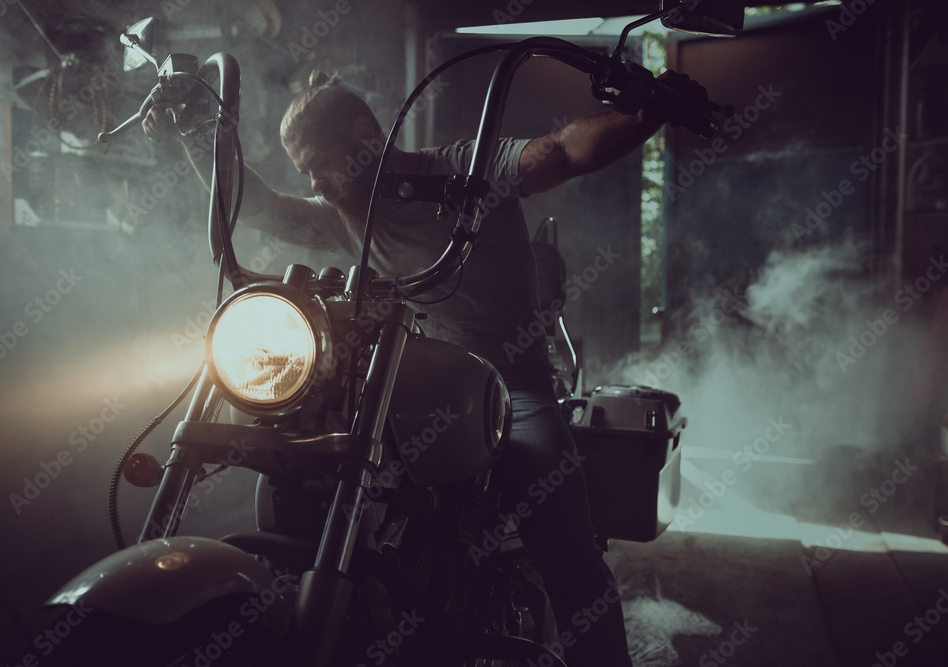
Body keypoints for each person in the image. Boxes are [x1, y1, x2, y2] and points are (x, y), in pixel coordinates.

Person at [144, 66, 701, 667]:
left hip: (508, 388)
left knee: (565, 550)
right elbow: (255, 205)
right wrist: (198, 137)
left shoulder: (465, 169)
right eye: (306, 173)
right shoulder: (342, 217)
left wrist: (646, 115)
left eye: (321, 164)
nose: (319, 184)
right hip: (403, 391)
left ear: (364, 134)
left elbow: (557, 152)